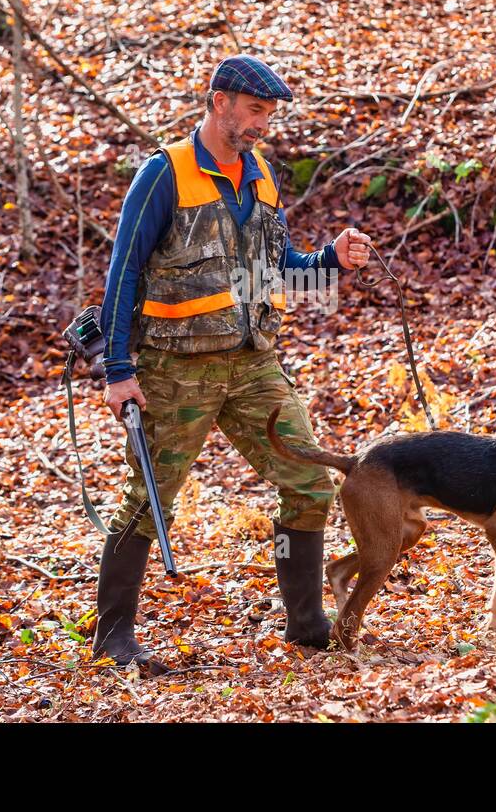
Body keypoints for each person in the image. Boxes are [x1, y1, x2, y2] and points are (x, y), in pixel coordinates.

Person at [92, 54, 371, 674]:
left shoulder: (263, 177)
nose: (261, 125)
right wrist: (117, 370)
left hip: (253, 365)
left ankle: (306, 625)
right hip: (174, 368)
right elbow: (124, 274)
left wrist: (333, 260)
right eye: (253, 111)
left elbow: (278, 269)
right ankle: (112, 637)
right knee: (149, 499)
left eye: (268, 114)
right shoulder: (163, 174)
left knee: (308, 481)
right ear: (218, 101)